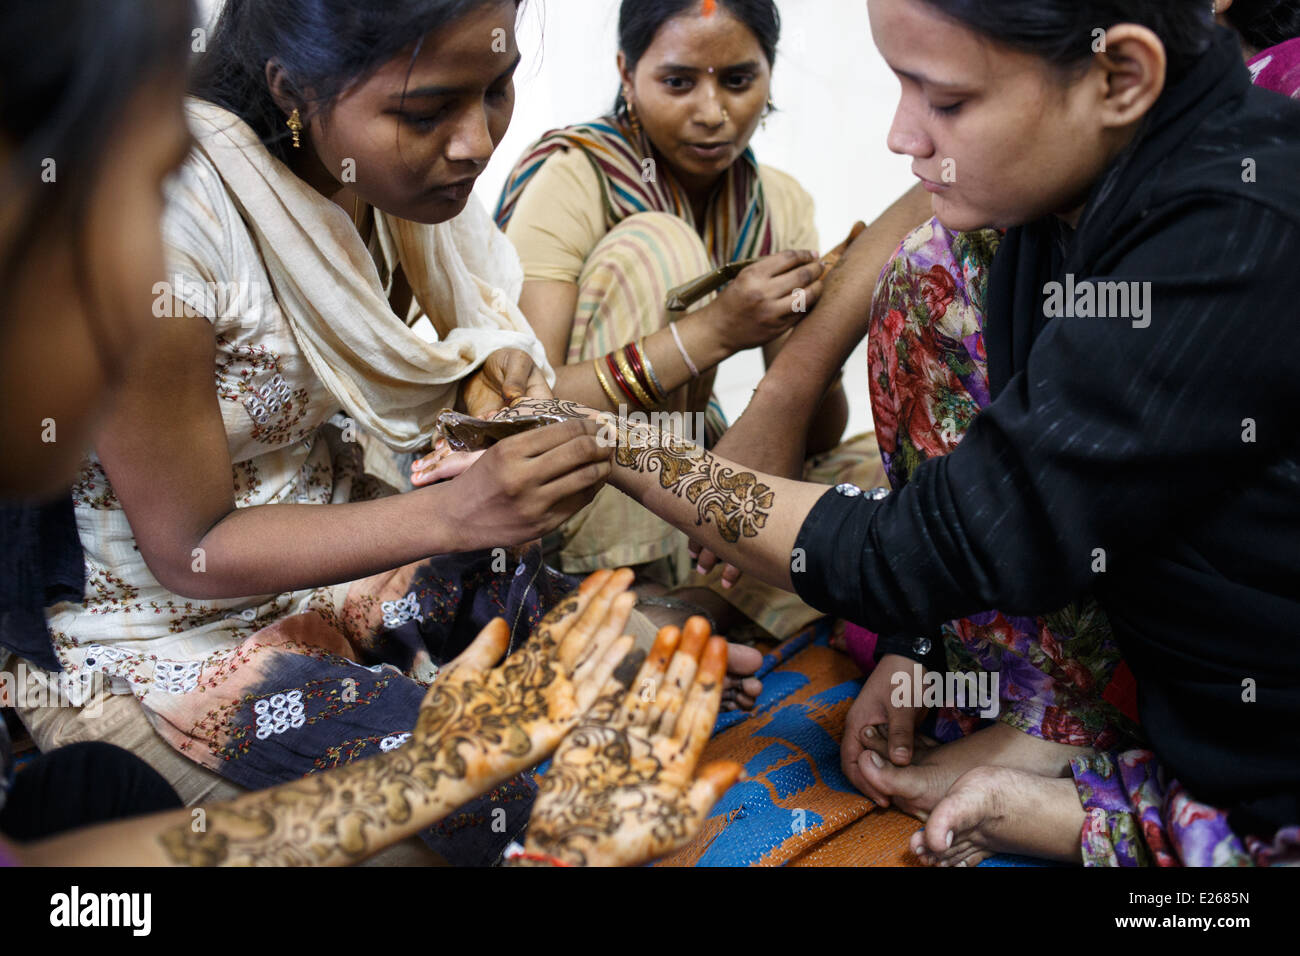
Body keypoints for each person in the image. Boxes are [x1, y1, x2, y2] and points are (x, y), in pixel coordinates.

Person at [431, 0, 1300, 867]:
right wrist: (915, 639)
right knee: (925, 268)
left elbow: (936, 537)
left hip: (1256, 738)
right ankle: (1073, 749)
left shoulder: (1233, 233)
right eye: (901, 87)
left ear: (1121, 77)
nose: (901, 136)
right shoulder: (1069, 196)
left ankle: (1144, 813)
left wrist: (623, 445)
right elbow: (959, 506)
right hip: (1151, 644)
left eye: (945, 102)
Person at [0, 0, 737, 868]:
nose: (475, 142)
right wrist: (458, 521)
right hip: (175, 629)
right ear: (291, 89)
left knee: (640, 671)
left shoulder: (377, 182)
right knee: (518, 813)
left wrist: (475, 384)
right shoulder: (179, 226)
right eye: (426, 113)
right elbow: (189, 547)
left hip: (335, 556)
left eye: (499, 90)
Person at [481, 0, 928, 645]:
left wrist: (804, 332)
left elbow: (813, 434)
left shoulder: (778, 202)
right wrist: (716, 329)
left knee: (886, 488)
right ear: (626, 75)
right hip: (571, 498)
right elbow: (518, 406)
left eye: (738, 81)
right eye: (679, 81)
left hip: (690, 483)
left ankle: (679, 608)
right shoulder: (573, 175)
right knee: (658, 245)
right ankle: (635, 587)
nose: (713, 111)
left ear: (769, 76)